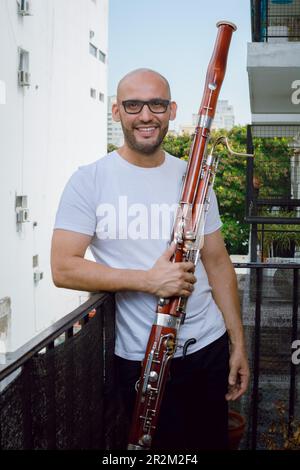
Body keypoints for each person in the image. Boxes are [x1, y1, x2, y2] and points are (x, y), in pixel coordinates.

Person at [51, 68, 250, 450]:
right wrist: (148, 280)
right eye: (133, 104)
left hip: (209, 349)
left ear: (172, 110)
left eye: (157, 104)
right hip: (142, 359)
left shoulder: (192, 178)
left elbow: (219, 263)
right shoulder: (89, 180)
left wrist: (237, 342)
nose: (146, 115)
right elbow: (63, 267)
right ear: (116, 112)